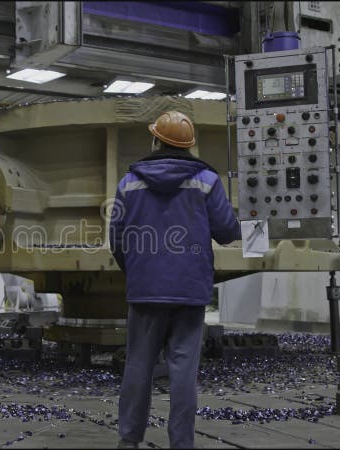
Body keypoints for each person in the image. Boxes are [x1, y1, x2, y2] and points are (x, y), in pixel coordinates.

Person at [109, 110, 241, 449]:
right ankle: (181, 443)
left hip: (145, 292)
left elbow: (117, 240)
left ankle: (128, 440)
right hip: (189, 291)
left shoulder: (128, 183)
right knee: (183, 370)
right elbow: (227, 232)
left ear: (155, 140)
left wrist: (139, 272)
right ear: (189, 147)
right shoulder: (207, 182)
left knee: (138, 366)